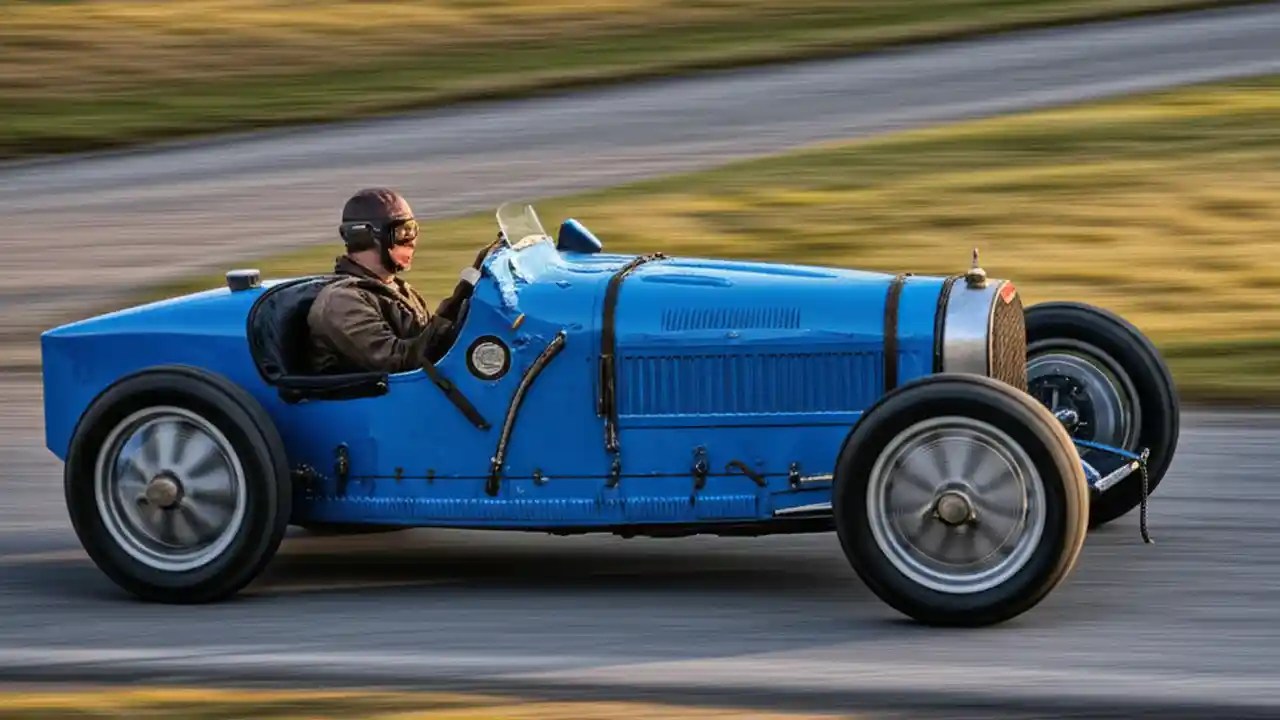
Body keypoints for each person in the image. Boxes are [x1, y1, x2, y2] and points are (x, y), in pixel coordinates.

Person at [307, 188, 479, 374]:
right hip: (369, 400)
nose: (411, 241)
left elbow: (427, 338)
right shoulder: (341, 301)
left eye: (412, 230)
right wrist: (451, 316)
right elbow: (399, 363)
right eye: (402, 232)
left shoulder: (398, 288)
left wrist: (461, 300)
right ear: (364, 236)